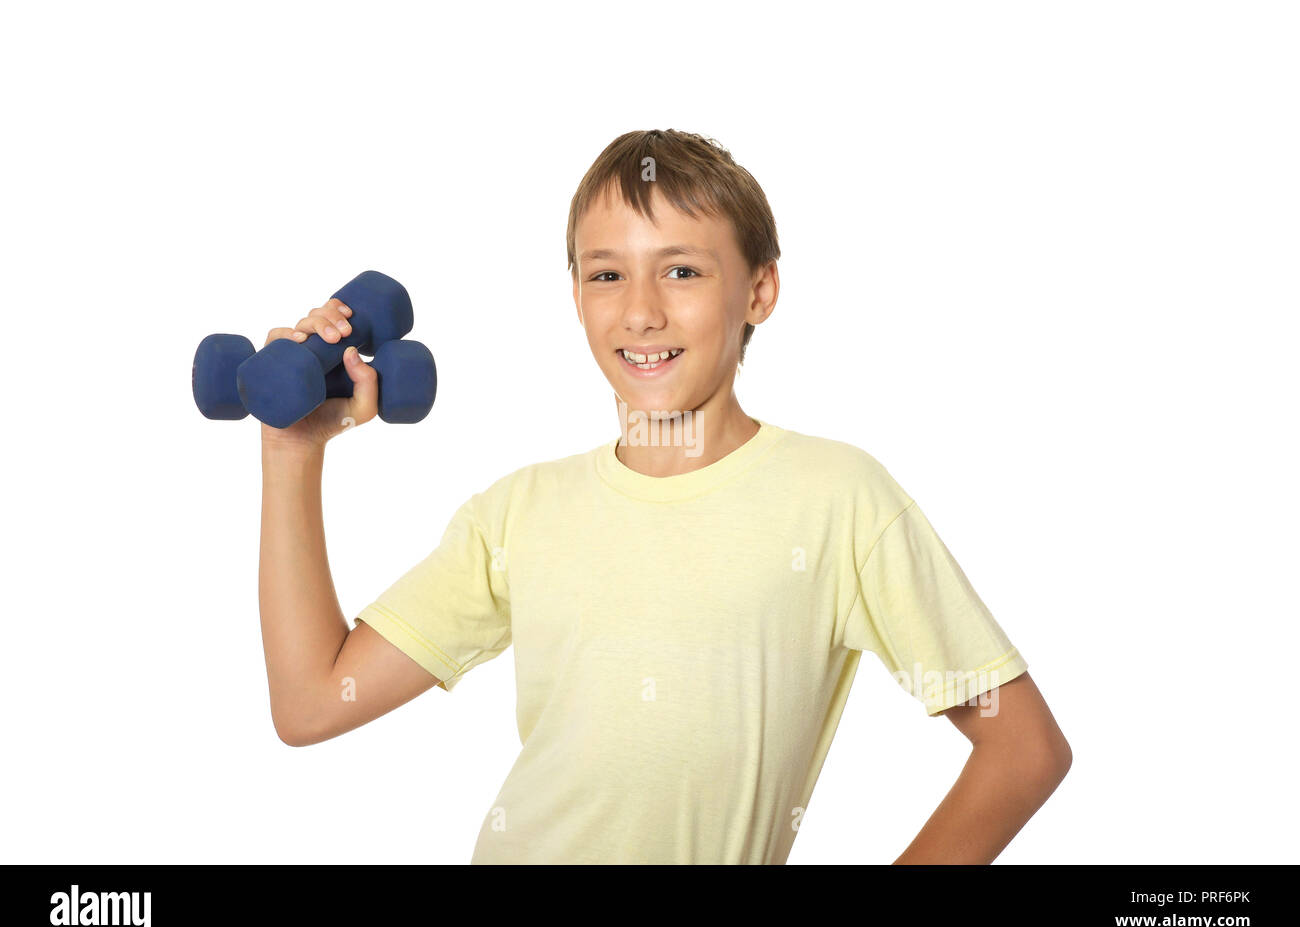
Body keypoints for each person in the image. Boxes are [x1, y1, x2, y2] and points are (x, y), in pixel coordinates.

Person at [257, 129, 1071, 864]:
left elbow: (1023, 748)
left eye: (682, 270)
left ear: (759, 292)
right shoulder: (520, 511)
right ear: (576, 296)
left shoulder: (838, 499)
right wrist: (292, 450)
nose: (641, 312)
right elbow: (312, 702)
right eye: (607, 274)